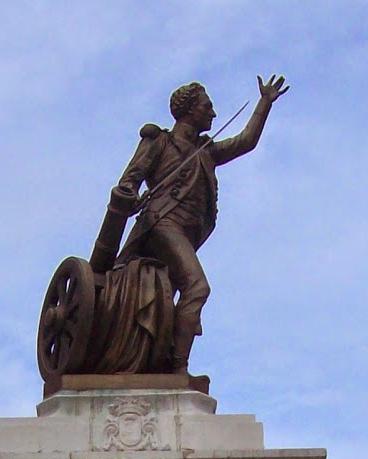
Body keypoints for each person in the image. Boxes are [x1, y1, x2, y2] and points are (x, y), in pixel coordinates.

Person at [112, 74, 289, 372]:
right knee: (197, 287)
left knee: (172, 297)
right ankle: (178, 366)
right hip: (162, 223)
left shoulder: (206, 150)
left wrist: (264, 103)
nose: (213, 113)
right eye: (207, 106)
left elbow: (246, 141)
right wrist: (130, 196)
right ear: (190, 109)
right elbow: (129, 181)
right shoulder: (159, 142)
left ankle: (161, 355)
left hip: (187, 232)